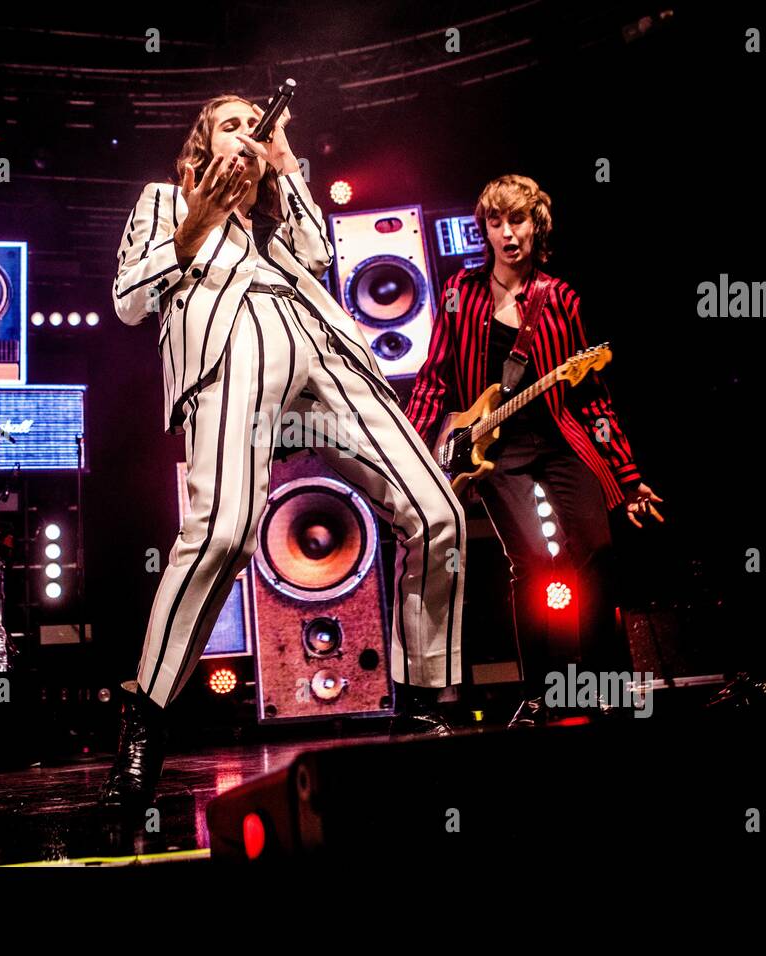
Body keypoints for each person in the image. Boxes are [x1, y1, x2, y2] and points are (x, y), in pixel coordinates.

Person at [101, 93, 468, 811]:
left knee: (436, 512)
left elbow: (316, 255)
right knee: (224, 533)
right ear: (201, 146)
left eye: (256, 123)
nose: (248, 133)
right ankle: (146, 713)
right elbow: (129, 299)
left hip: (320, 341)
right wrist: (199, 220)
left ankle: (424, 703)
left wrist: (283, 165)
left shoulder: (276, 205)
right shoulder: (162, 198)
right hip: (231, 337)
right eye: (231, 125)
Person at [405, 174, 664, 727]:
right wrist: (417, 448)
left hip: (560, 439)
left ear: (536, 226)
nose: (507, 233)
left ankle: (604, 685)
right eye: (495, 222)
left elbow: (592, 396)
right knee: (534, 563)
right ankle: (547, 692)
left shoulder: (559, 296)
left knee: (596, 551)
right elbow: (433, 378)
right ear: (484, 231)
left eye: (517, 220)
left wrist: (626, 470)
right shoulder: (458, 292)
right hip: (495, 452)